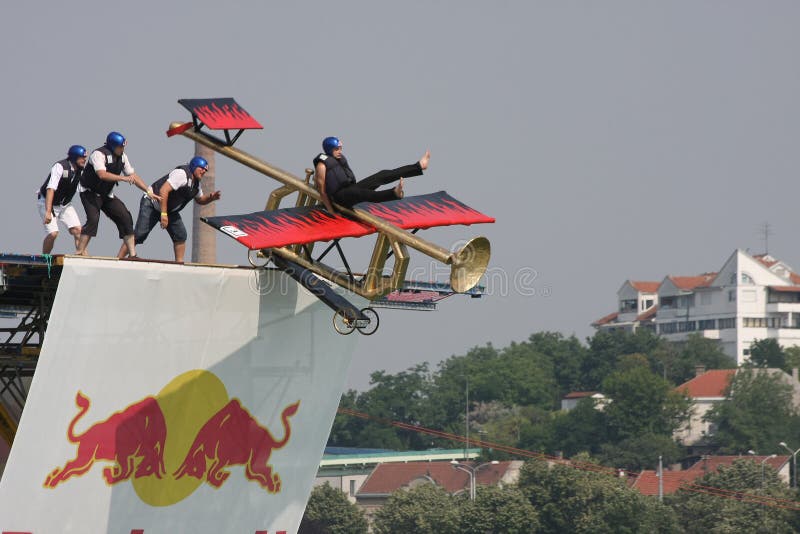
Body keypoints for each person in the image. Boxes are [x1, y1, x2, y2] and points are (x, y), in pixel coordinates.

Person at [75, 132, 158, 258]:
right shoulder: (98, 154)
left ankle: (132, 255)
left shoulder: (123, 157)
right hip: (89, 192)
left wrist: (148, 191)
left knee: (125, 217)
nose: (123, 149)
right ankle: (79, 252)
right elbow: (102, 174)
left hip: (106, 194)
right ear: (113, 146)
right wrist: (122, 178)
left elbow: (132, 175)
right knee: (93, 219)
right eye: (121, 147)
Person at [128, 156, 221, 262]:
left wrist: (211, 197)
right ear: (194, 166)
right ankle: (119, 259)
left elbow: (200, 199)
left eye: (206, 170)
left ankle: (179, 264)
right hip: (152, 202)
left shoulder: (196, 184)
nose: (204, 171)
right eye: (202, 168)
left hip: (169, 210)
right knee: (139, 234)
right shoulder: (181, 174)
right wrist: (163, 214)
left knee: (180, 234)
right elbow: (163, 190)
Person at [313, 136, 430, 212]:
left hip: (349, 191)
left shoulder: (338, 159)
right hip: (338, 199)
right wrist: (332, 212)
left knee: (381, 175)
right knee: (362, 193)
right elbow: (323, 192)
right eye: (337, 149)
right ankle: (393, 193)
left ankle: (418, 166)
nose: (340, 151)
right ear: (329, 149)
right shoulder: (322, 166)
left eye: (340, 148)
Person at [37, 145, 87, 254]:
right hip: (47, 202)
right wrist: (48, 212)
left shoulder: (80, 170)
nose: (84, 160)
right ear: (74, 157)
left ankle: (85, 260)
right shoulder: (60, 167)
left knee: (79, 231)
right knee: (53, 233)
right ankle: (45, 259)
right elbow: (50, 189)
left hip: (64, 204)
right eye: (82, 158)